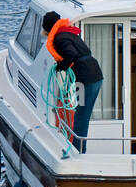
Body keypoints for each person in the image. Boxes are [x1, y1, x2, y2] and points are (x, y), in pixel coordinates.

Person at [42, 11, 103, 153]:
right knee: (82, 112)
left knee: (81, 114)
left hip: (85, 79)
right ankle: (78, 147)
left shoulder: (59, 39)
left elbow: (72, 54)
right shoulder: (69, 34)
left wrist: (60, 67)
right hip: (94, 75)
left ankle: (78, 150)